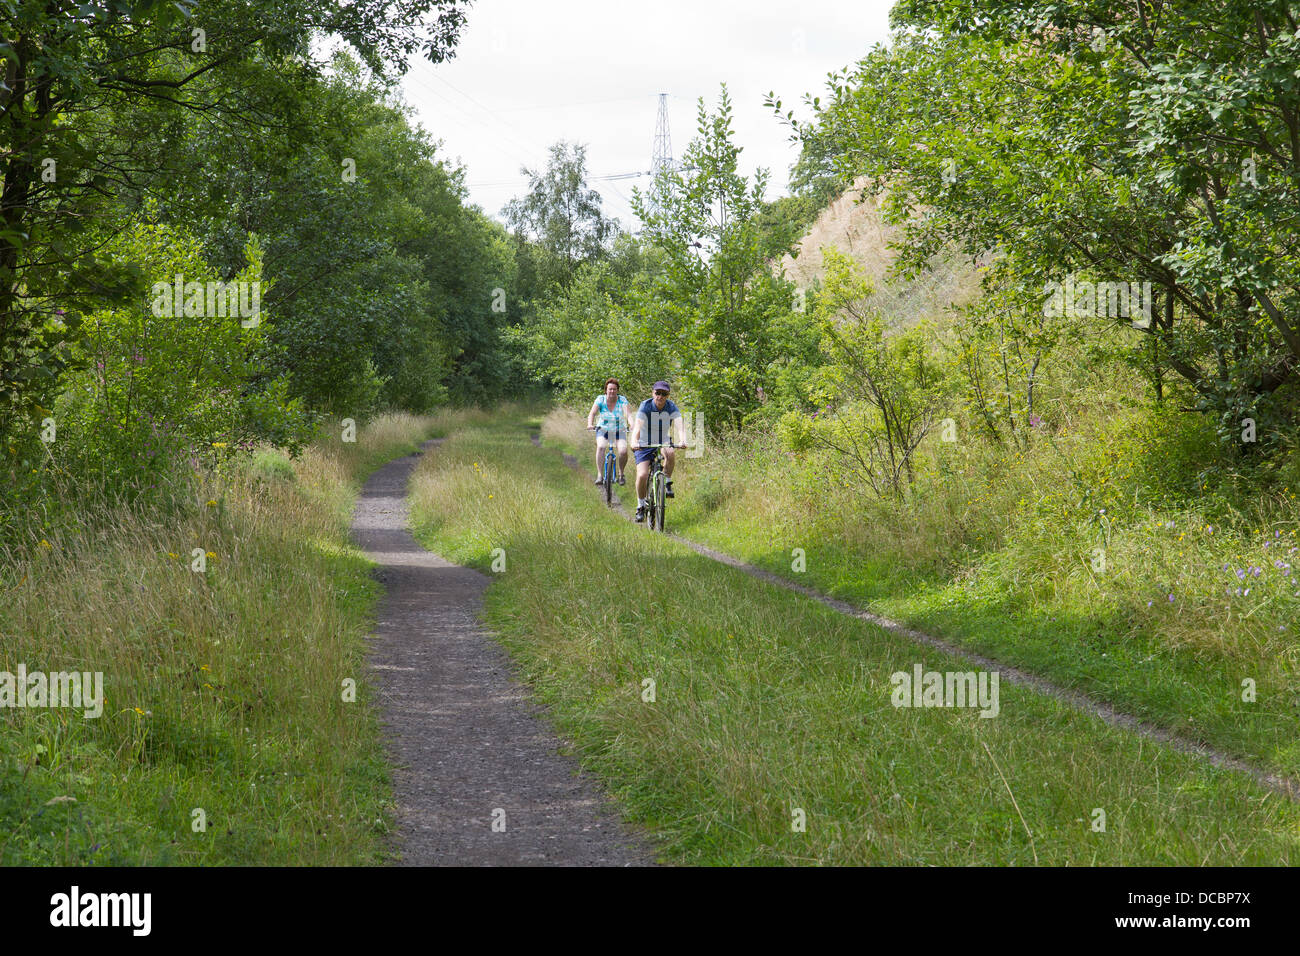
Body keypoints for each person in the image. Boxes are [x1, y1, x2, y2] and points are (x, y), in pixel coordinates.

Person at [629, 380, 684, 522]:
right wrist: (634, 441)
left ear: (668, 395)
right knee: (642, 475)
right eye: (657, 393)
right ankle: (640, 506)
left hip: (662, 439)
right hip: (644, 442)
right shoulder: (646, 406)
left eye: (664, 394)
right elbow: (637, 427)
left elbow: (680, 426)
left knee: (670, 453)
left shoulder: (671, 406)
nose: (660, 396)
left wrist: (683, 439)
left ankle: (666, 482)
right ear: (652, 393)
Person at [586, 378, 630, 485]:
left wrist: (632, 424)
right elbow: (592, 413)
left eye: (614, 389)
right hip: (603, 429)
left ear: (617, 390)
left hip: (620, 430)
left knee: (623, 451)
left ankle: (621, 474)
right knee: (601, 447)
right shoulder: (600, 399)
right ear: (606, 390)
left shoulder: (622, 400)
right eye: (610, 389)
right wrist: (590, 424)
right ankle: (600, 475)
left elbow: (628, 415)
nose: (612, 391)